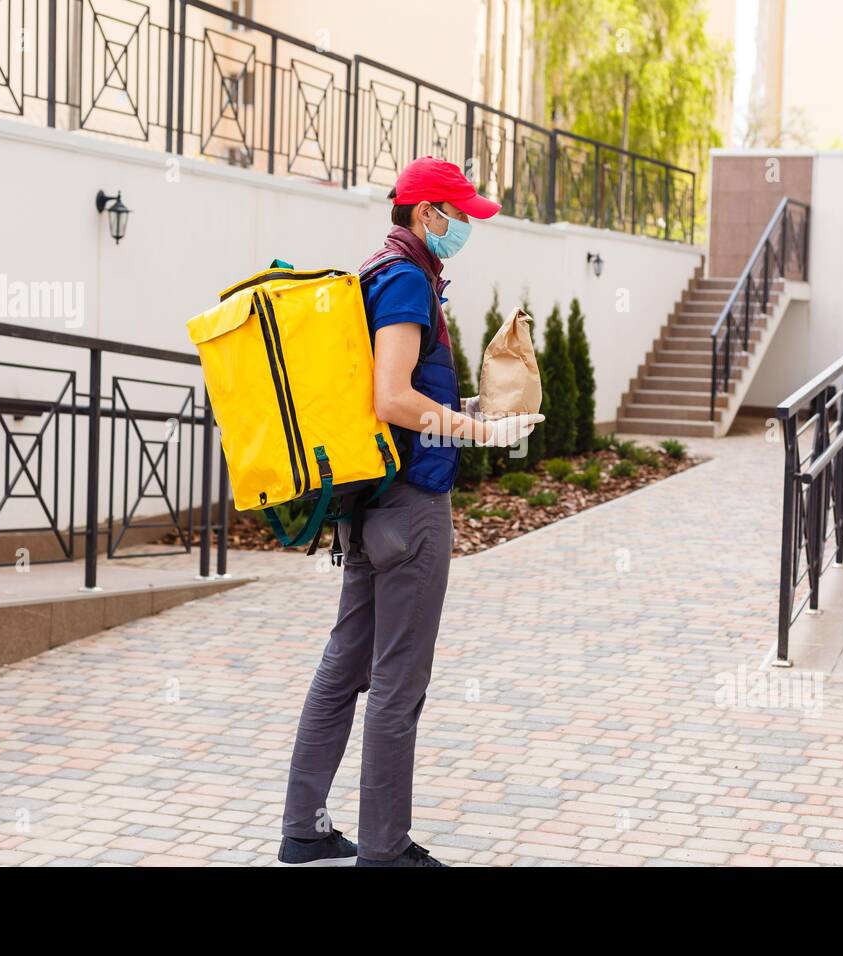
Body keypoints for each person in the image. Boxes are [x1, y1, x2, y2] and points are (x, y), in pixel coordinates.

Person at [278, 157, 544, 867]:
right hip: (410, 509)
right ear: (426, 212)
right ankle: (385, 849)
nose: (464, 228)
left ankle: (304, 830)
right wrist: (481, 432)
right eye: (458, 216)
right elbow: (391, 399)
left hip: (372, 506)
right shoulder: (403, 279)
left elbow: (401, 402)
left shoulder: (383, 272)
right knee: (398, 684)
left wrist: (472, 410)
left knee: (345, 667)